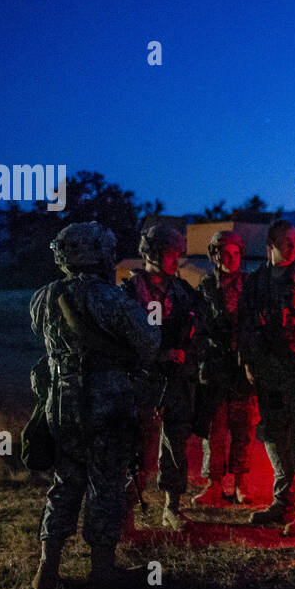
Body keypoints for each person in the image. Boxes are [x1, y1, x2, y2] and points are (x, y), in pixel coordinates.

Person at [29, 222, 159, 589]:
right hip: (108, 402)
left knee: (65, 482)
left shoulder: (43, 297)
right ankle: (102, 569)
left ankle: (46, 570)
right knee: (105, 484)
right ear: (100, 253)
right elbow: (148, 343)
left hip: (60, 402)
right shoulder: (110, 298)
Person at [239, 219, 295, 535]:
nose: (293, 247)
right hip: (268, 371)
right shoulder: (257, 281)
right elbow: (246, 324)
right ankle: (283, 502)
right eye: (286, 242)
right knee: (274, 435)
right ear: (271, 246)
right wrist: (249, 361)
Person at [121, 223, 200, 530]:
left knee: (176, 444)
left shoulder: (182, 291)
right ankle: (126, 511)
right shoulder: (131, 291)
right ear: (151, 253)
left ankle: (173, 507)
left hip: (176, 378)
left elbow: (198, 330)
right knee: (137, 447)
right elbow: (125, 339)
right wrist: (159, 355)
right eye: (168, 253)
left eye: (177, 254)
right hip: (143, 378)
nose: (174, 260)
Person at [193, 230, 258, 507]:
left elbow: (257, 324)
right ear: (214, 255)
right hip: (216, 368)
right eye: (223, 253)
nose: (229, 258)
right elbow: (197, 327)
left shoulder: (251, 287)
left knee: (244, 430)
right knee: (215, 430)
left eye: (234, 253)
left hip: (242, 369)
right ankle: (214, 484)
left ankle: (241, 483)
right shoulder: (206, 288)